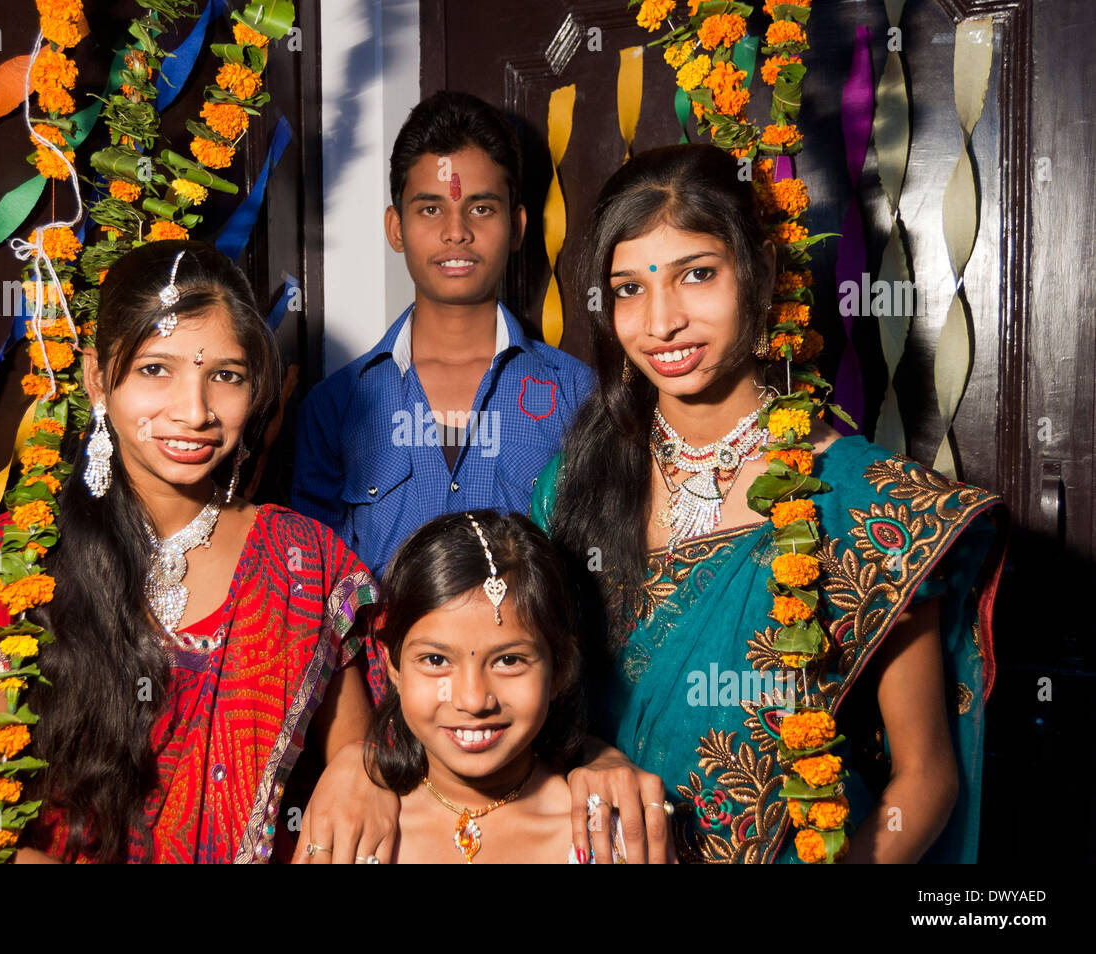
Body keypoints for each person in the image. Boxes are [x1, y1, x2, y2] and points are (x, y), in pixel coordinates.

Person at [531, 144, 1006, 863]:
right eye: (629, 288)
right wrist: (591, 756)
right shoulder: (571, 484)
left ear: (759, 276)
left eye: (697, 275)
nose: (661, 323)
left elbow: (926, 775)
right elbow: (525, 708)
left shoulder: (869, 504)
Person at [0, 240, 385, 863]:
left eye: (224, 375)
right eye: (155, 369)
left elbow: (363, 758)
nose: (194, 411)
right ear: (96, 377)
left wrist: (363, 770)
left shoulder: (304, 562)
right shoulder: (13, 564)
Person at [291, 90, 595, 579]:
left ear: (517, 227)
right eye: (431, 209)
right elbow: (317, 595)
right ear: (396, 227)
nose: (457, 233)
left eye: (481, 209)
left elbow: (595, 581)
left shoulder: (576, 396)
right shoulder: (335, 407)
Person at [359, 509, 623, 863]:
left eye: (509, 661)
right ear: (393, 667)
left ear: (561, 669)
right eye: (436, 661)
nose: (472, 700)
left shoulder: (608, 841)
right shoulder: (356, 832)